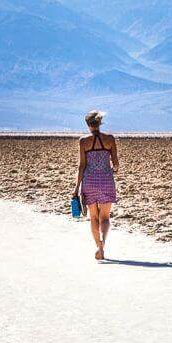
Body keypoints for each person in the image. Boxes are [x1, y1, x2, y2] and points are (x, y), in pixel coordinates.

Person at [73, 110, 119, 261]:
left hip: (90, 182)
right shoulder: (110, 139)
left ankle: (97, 246)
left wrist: (76, 189)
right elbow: (116, 164)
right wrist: (113, 169)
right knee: (105, 218)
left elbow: (81, 166)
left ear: (87, 124)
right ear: (100, 123)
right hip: (106, 181)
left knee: (93, 218)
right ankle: (103, 244)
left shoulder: (83, 141)